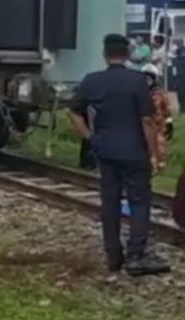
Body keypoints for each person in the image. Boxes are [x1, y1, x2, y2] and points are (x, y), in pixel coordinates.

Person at [69, 34, 170, 276]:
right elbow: (147, 121)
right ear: (126, 56)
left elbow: (73, 112)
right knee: (139, 201)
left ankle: (113, 256)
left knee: (110, 202)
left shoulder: (92, 81)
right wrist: (154, 153)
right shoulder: (137, 81)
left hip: (105, 150)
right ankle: (136, 256)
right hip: (134, 151)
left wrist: (90, 138)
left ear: (105, 55)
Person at [141, 64, 173, 168]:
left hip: (159, 126)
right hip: (144, 126)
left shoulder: (160, 93)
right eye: (145, 77)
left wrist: (169, 122)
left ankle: (160, 166)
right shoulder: (138, 93)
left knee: (159, 145)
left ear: (154, 79)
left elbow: (166, 109)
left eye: (149, 78)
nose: (147, 80)